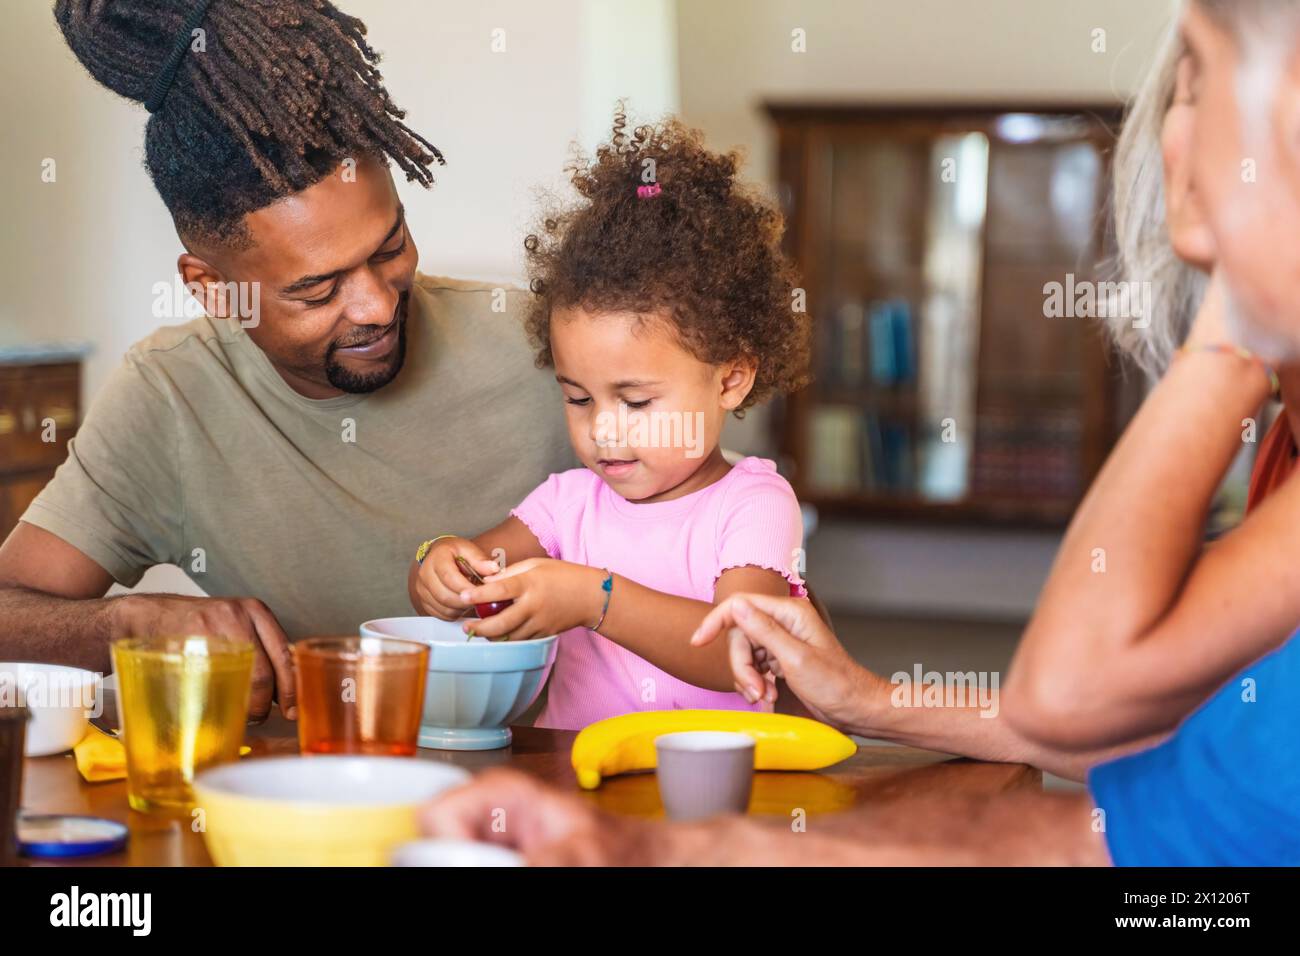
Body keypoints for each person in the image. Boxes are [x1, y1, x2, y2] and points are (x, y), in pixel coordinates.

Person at [419, 0, 1300, 865]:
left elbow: (1079, 711)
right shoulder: (1277, 443)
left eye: (1197, 88)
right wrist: (867, 701)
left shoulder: (750, 498)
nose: (1168, 143)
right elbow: (1139, 769)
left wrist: (1229, 337)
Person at [0, 0, 572, 720]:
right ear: (214, 290)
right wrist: (126, 621)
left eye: (389, 247)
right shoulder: (169, 398)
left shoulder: (544, 349)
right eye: (317, 289)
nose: (374, 305)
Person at [409, 115, 812, 728]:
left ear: (731, 379)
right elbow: (474, 566)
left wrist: (594, 600)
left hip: (713, 797)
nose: (603, 429)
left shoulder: (753, 503)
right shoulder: (565, 504)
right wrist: (438, 566)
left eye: (637, 401)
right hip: (575, 783)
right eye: (578, 398)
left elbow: (742, 650)